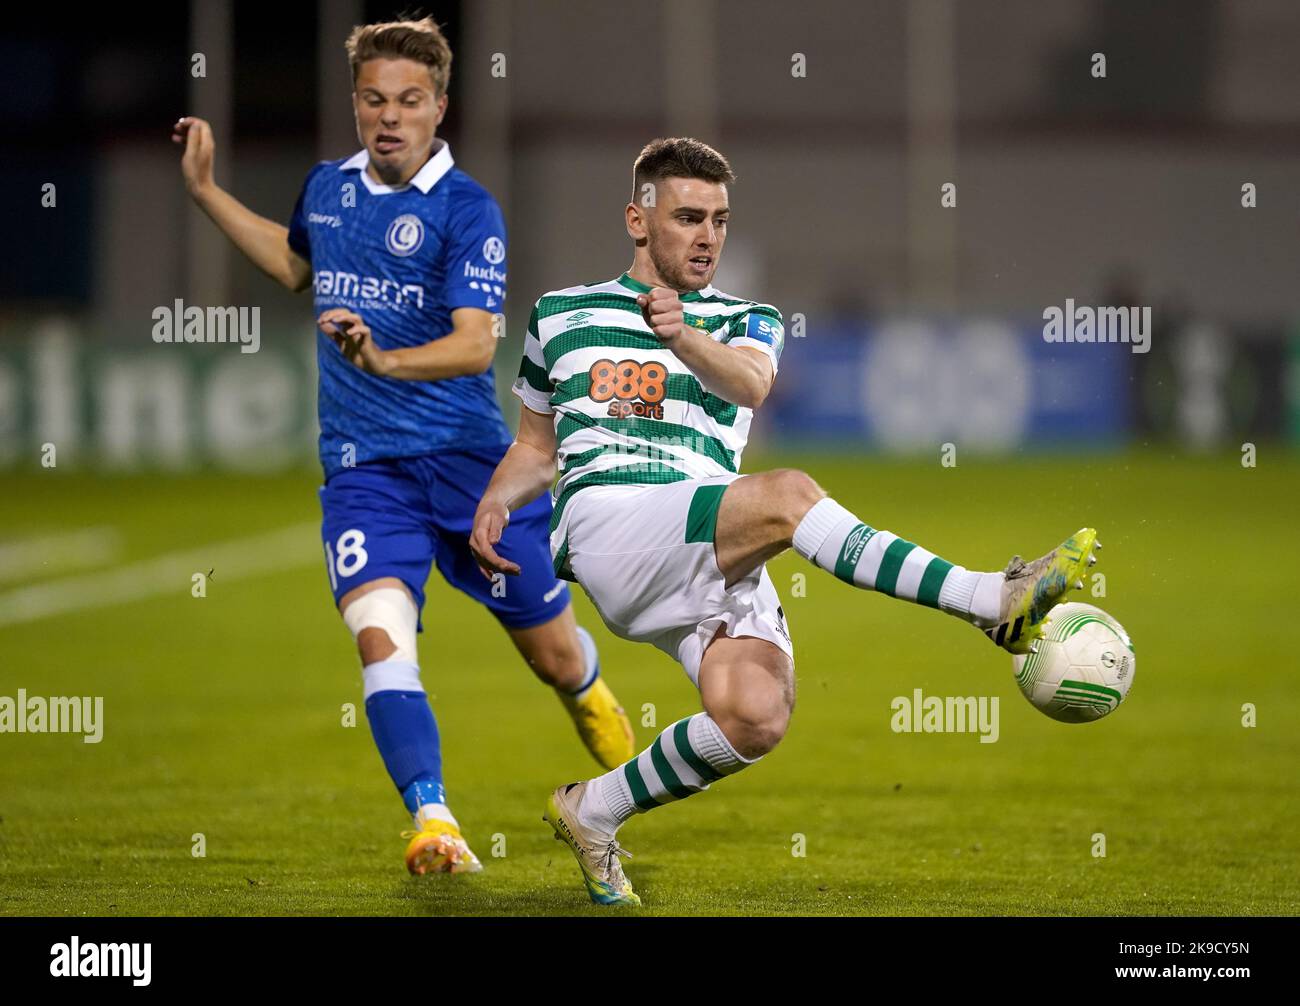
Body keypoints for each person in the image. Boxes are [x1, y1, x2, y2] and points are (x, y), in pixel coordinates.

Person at [470, 136, 1099, 905]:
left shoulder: (747, 317)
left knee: (754, 717)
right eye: (688, 217)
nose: (707, 237)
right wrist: (498, 499)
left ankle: (592, 811)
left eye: (720, 220)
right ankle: (989, 602)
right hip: (610, 526)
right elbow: (538, 446)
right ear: (638, 221)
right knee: (790, 494)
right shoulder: (560, 315)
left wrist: (685, 335)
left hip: (707, 538)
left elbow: (752, 383)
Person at [172, 15, 634, 876]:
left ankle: (590, 696)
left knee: (555, 653)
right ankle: (434, 821)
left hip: (468, 464)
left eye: (409, 101)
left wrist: (383, 356)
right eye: (374, 99)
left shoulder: (467, 209)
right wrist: (206, 192)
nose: (390, 116)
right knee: (381, 637)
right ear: (356, 104)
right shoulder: (326, 188)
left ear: (439, 107)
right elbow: (292, 262)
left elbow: (474, 344)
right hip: (363, 472)